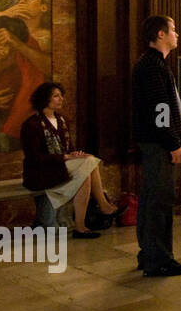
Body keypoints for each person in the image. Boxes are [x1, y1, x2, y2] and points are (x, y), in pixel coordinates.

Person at [130, 15, 181, 276]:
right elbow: (160, 109)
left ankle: (149, 254)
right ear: (161, 34)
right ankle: (159, 260)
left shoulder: (153, 63)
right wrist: (173, 143)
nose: (177, 34)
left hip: (155, 141)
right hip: (159, 143)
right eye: (173, 30)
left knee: (151, 198)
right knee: (160, 201)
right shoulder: (153, 66)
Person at [21, 81, 120, 238]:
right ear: (45, 99)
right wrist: (65, 157)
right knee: (87, 169)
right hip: (41, 171)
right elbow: (34, 157)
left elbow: (68, 149)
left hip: (61, 166)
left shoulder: (61, 120)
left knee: (89, 163)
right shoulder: (32, 124)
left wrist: (75, 155)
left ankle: (82, 225)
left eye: (61, 96)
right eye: (56, 96)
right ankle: (100, 208)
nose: (61, 99)